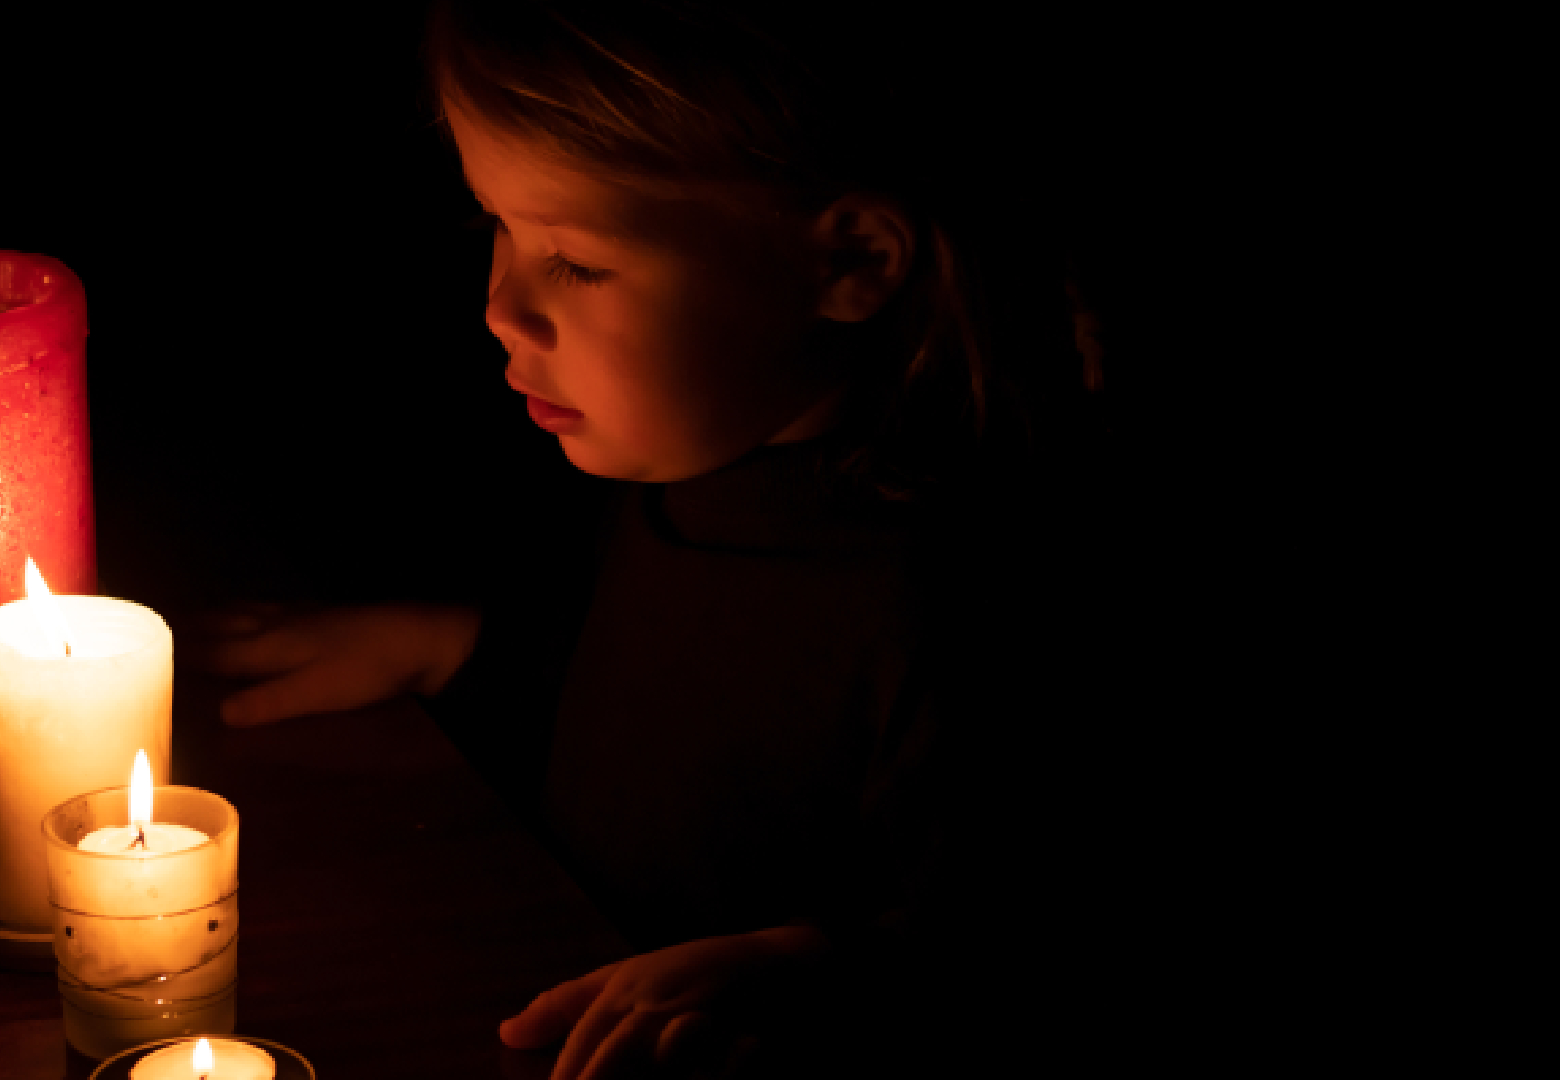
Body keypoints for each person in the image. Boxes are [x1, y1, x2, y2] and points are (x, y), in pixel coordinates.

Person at [198, 2, 1114, 1074]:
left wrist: (816, 974)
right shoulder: (691, 477)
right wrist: (458, 649)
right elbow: (672, 718)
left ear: (850, 261)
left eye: (575, 262)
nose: (502, 308)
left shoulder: (968, 607)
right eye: (497, 226)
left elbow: (1016, 945)